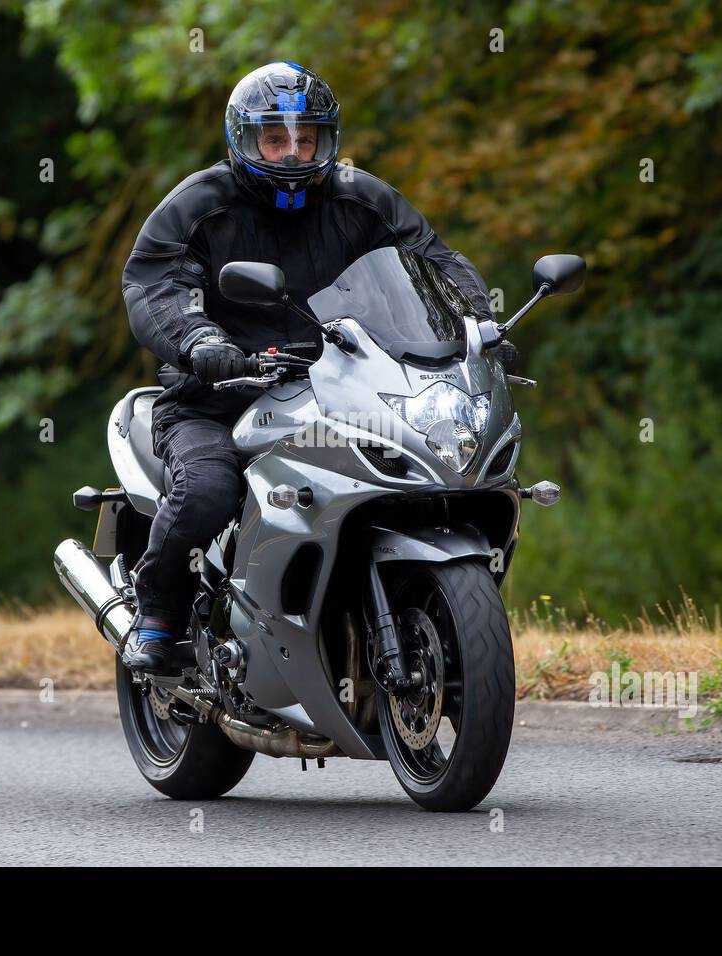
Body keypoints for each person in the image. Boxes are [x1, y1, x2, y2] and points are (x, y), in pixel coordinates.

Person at [120, 61, 514, 672]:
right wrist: (198, 339)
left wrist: (470, 329)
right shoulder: (201, 204)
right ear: (243, 140)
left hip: (339, 388)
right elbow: (155, 284)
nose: (294, 153)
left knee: (425, 472)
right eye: (276, 139)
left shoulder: (362, 198)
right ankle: (160, 612)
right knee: (207, 489)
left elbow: (434, 264)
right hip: (217, 395)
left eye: (309, 138)